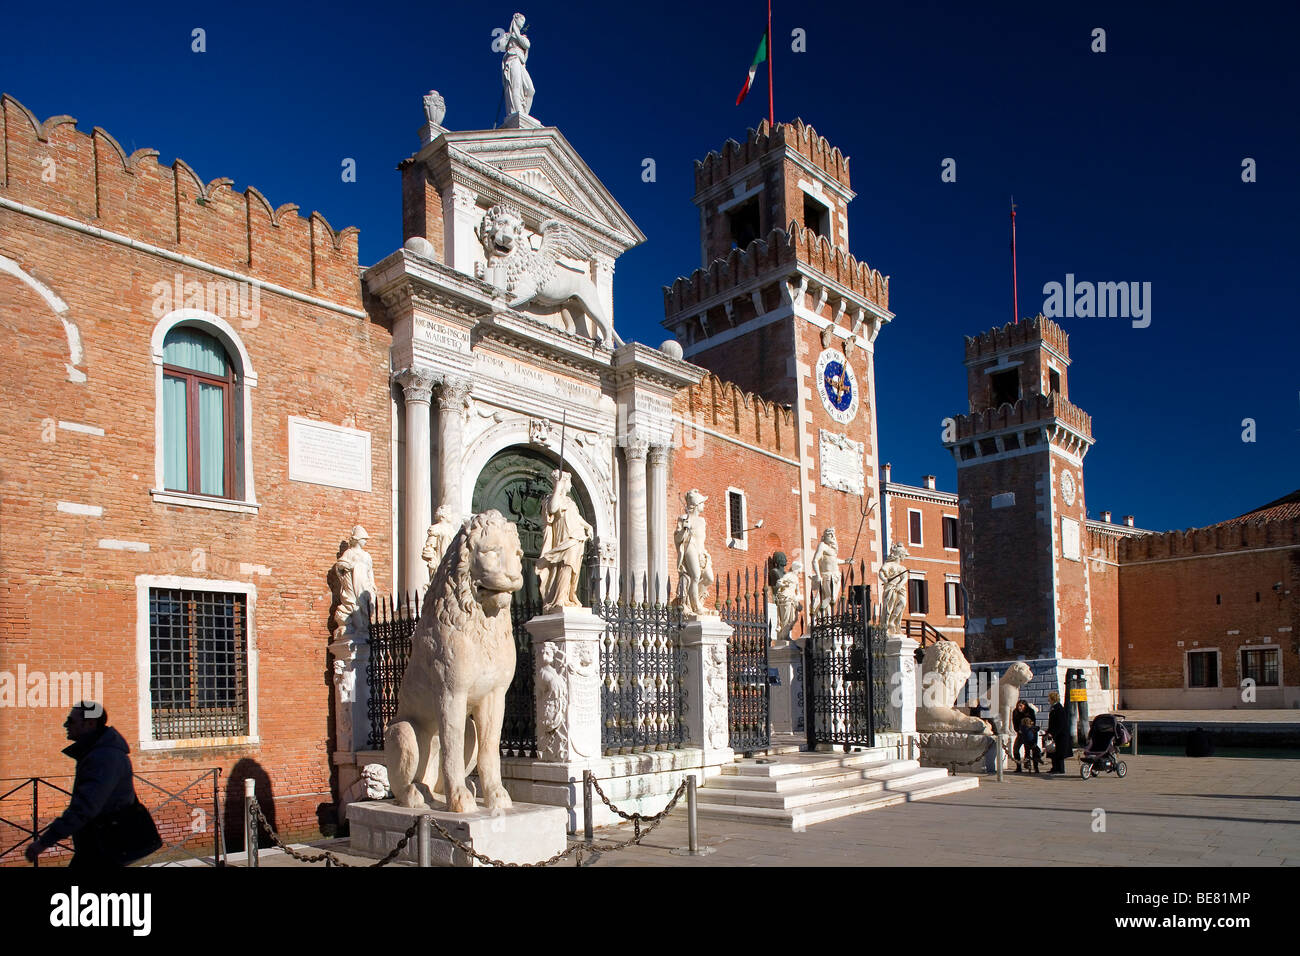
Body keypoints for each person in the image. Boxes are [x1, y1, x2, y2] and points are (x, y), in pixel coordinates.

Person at [24, 702, 155, 868]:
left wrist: (44, 842)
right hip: (98, 845)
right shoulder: (100, 752)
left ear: (90, 723)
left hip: (105, 845)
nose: (66, 725)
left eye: (71, 721)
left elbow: (85, 806)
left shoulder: (103, 757)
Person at [1010, 699, 1037, 771]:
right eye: (1018, 706)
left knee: (1028, 750)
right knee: (1015, 749)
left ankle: (1031, 766)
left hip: (1028, 733)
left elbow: (1033, 722)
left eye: (1021, 706)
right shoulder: (1015, 712)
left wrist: (1028, 730)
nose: (1019, 707)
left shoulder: (1030, 711)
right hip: (1020, 733)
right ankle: (1018, 767)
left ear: (1025, 706)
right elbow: (1014, 723)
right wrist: (1018, 730)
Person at [1046, 690, 1069, 774]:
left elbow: (1060, 724)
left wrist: (1053, 733)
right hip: (1056, 734)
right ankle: (1055, 767)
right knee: (1053, 752)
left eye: (1049, 699)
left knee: (1059, 753)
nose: (1048, 700)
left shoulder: (1058, 709)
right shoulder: (1055, 708)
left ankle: (1060, 769)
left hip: (1060, 735)